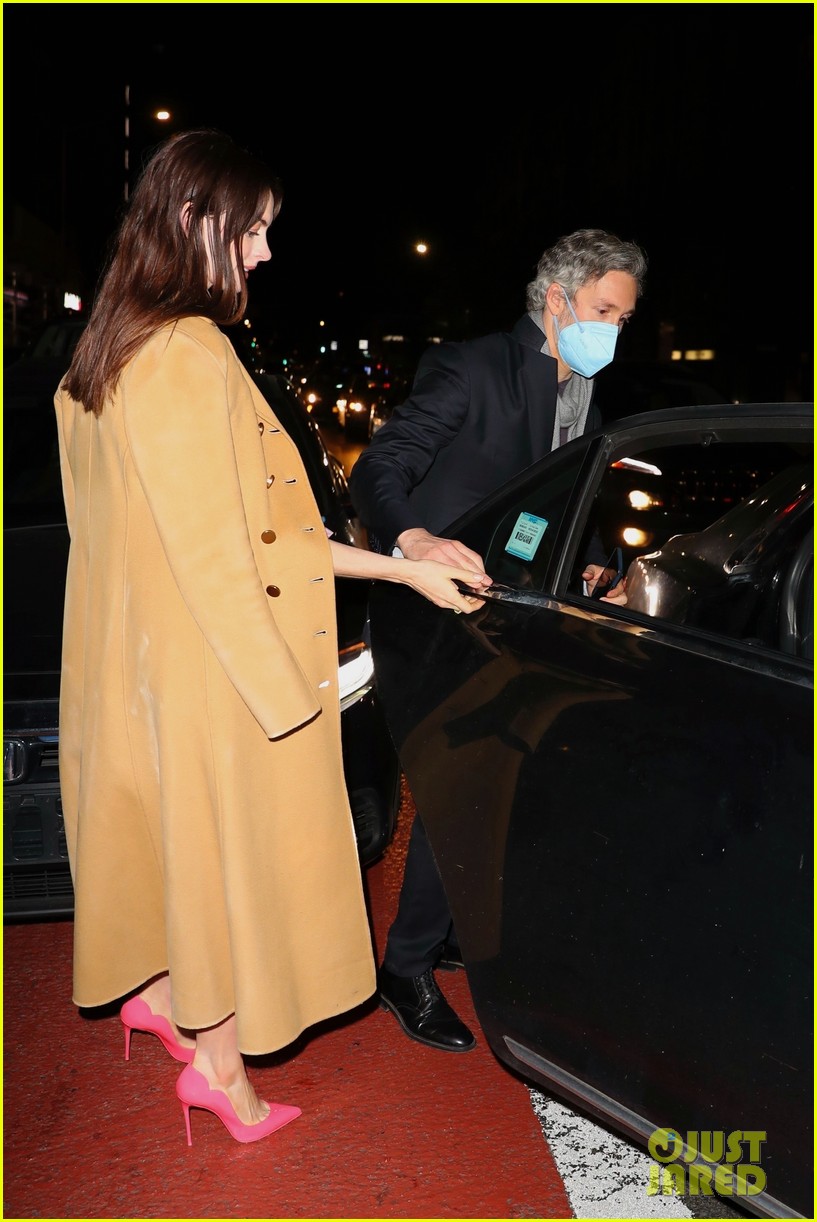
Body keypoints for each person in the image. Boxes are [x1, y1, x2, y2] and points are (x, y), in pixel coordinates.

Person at [54, 128, 487, 1146]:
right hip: (214, 676)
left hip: (130, 669)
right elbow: (247, 553)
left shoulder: (98, 357)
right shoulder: (189, 354)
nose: (262, 253)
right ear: (197, 221)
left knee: (168, 856)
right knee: (229, 870)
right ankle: (218, 1072)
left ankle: (157, 997)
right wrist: (399, 577)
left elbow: (114, 539)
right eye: (252, 230)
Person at [348, 227, 648, 1052]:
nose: (613, 332)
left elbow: (565, 507)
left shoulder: (583, 397)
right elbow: (382, 464)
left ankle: (434, 938)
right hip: (431, 606)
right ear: (556, 300)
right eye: (602, 311)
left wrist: (599, 564)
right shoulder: (474, 366)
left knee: (494, 784)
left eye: (623, 318)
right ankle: (404, 969)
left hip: (508, 616)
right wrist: (410, 540)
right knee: (467, 787)